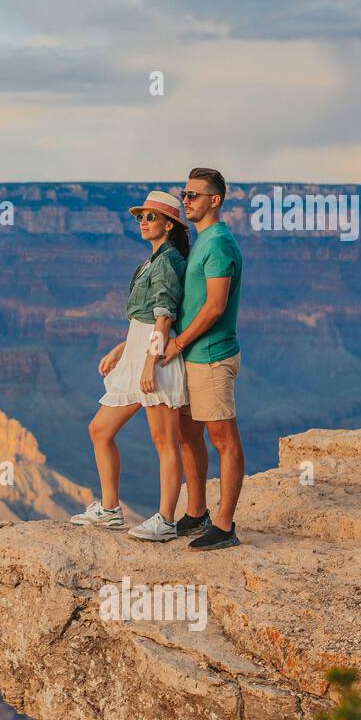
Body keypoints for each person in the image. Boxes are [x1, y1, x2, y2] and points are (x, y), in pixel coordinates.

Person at [71, 190, 190, 541]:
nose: (143, 222)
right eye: (140, 217)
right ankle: (110, 509)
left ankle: (166, 520)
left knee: (164, 440)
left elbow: (164, 317)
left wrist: (149, 363)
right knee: (100, 430)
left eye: (150, 217)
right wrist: (123, 349)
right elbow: (143, 319)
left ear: (168, 225)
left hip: (156, 356)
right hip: (139, 349)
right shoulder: (152, 260)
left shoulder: (168, 261)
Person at [160, 167, 245, 550]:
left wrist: (178, 344)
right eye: (184, 194)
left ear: (215, 200)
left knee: (223, 439)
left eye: (193, 195)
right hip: (193, 357)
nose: (186, 201)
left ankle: (225, 526)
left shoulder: (219, 244)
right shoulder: (202, 241)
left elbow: (214, 307)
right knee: (187, 434)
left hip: (211, 357)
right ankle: (196, 512)